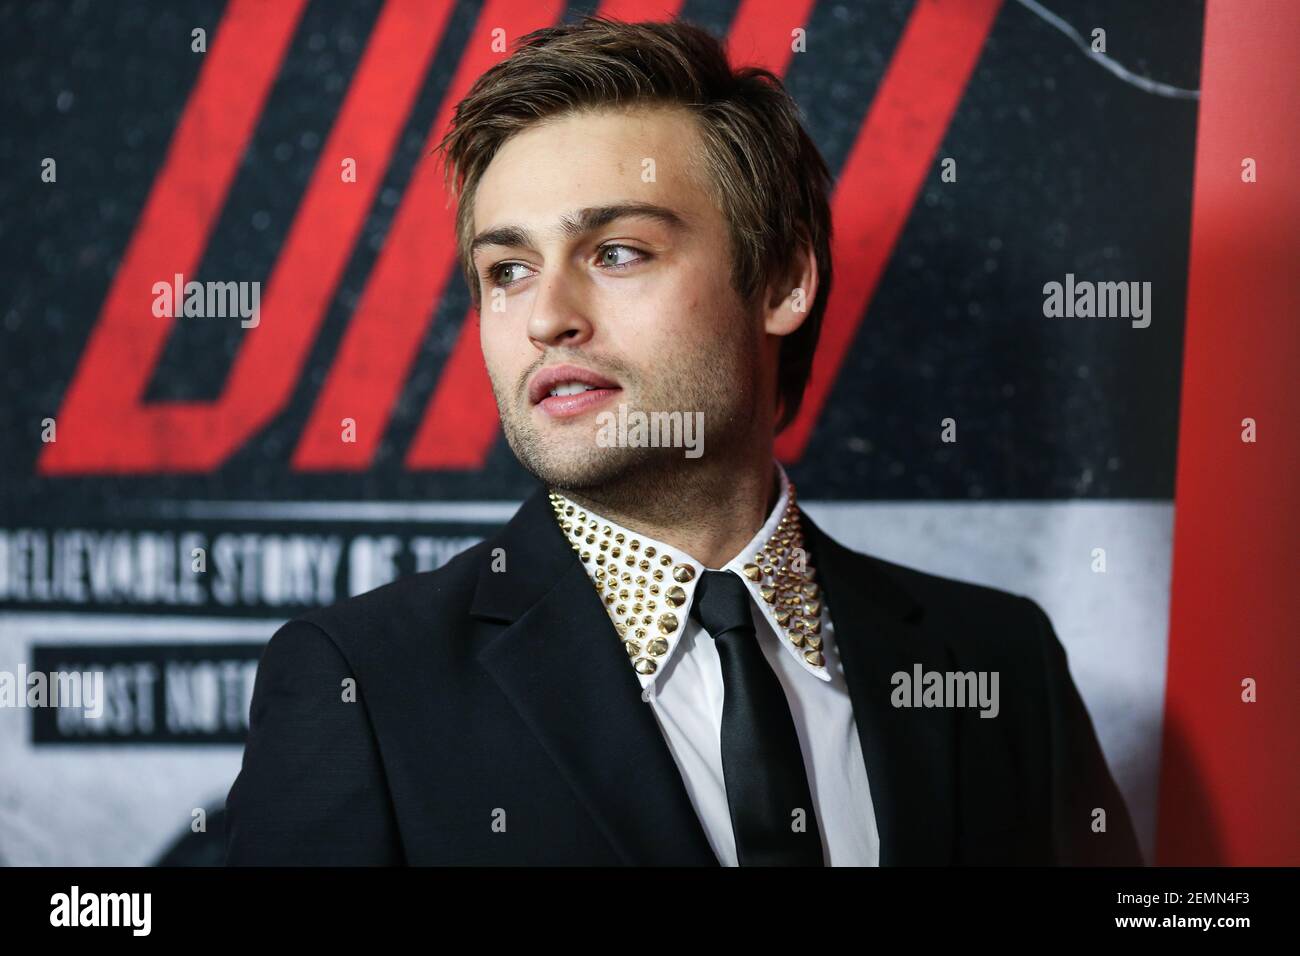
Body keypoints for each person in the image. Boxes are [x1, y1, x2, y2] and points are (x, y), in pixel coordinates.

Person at [225, 16, 1141, 866]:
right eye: (506, 270)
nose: (546, 316)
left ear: (782, 282)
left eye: (617, 252)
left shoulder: (995, 659)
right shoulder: (366, 689)